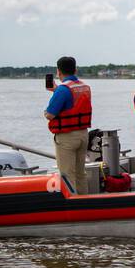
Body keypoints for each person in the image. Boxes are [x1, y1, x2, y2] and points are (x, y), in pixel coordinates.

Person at [44, 56, 92, 194]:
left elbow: (50, 114)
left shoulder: (63, 90)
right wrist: (56, 91)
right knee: (80, 173)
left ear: (58, 72)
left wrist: (55, 94)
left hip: (67, 138)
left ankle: (73, 206)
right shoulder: (84, 87)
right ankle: (84, 203)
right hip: (83, 134)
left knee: (67, 175)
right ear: (75, 70)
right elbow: (73, 102)